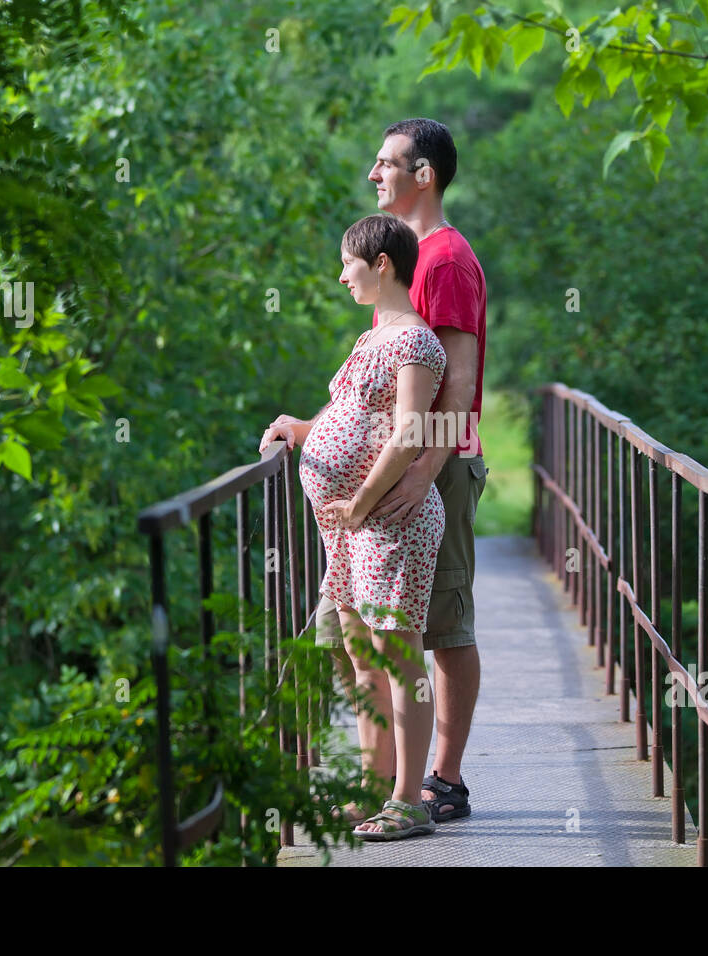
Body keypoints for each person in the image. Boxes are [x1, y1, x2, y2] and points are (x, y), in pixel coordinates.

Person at [265, 118, 487, 824]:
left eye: (386, 163)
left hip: (425, 477)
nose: (373, 173)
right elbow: (368, 400)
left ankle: (435, 785)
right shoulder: (401, 272)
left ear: (423, 174)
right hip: (370, 501)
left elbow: (454, 384)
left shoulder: (443, 258)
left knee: (436, 629)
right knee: (364, 646)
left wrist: (419, 474)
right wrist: (308, 433)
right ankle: (379, 785)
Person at [261, 213, 446, 840]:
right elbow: (353, 419)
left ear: (382, 264)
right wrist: (301, 429)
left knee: (399, 658)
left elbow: (408, 432)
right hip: (347, 530)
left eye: (349, 264)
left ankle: (408, 800)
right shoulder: (373, 338)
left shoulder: (416, 343)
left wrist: (361, 503)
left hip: (389, 524)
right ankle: (372, 790)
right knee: (362, 660)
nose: (342, 276)